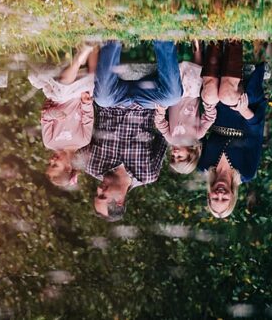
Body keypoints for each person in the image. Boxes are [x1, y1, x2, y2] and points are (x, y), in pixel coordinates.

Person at [86, 40, 183, 218]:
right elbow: (164, 138)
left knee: (102, 98)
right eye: (102, 195)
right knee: (173, 96)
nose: (99, 188)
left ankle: (112, 37)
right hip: (145, 103)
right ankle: (163, 38)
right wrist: (162, 112)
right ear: (120, 200)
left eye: (97, 194)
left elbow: (83, 133)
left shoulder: (92, 166)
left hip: (114, 101)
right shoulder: (148, 174)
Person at [198, 40, 267, 218]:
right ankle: (233, 39)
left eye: (215, 198)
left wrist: (207, 111)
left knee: (209, 94)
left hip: (217, 112)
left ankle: (215, 38)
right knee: (228, 95)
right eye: (224, 199)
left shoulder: (204, 166)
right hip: (245, 111)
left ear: (209, 195)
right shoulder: (246, 172)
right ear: (233, 197)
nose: (219, 194)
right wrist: (245, 111)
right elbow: (256, 135)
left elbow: (198, 134)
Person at [27, 42, 98, 189]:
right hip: (79, 93)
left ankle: (80, 56)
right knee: (95, 80)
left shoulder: (50, 142)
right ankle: (94, 44)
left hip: (58, 95)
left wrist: (55, 113)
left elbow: (45, 115)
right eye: (55, 165)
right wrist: (85, 103)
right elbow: (87, 118)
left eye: (49, 164)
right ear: (67, 167)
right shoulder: (83, 141)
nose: (51, 160)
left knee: (59, 89)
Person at [153, 41, 217, 174]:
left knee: (172, 74)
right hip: (191, 94)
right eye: (179, 157)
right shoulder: (197, 135)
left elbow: (160, 123)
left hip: (173, 95)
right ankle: (197, 47)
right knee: (196, 77)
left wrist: (161, 110)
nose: (175, 153)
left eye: (173, 156)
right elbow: (210, 118)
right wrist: (208, 106)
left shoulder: (170, 138)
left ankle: (173, 47)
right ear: (191, 153)